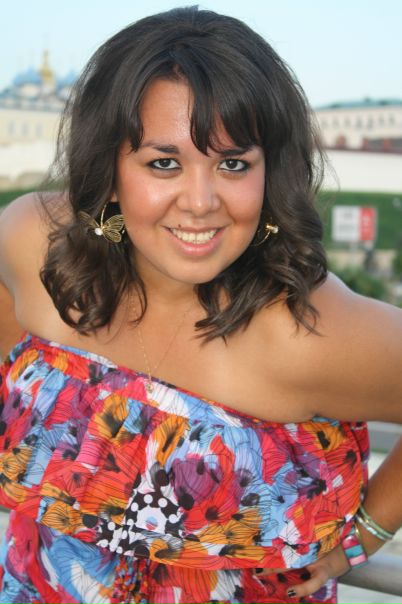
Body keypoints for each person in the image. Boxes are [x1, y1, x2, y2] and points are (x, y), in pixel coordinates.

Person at [0, 6, 401, 604]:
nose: (200, 201)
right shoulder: (33, 242)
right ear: (108, 169)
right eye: (163, 163)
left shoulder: (308, 332)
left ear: (271, 172)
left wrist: (368, 533)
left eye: (233, 164)